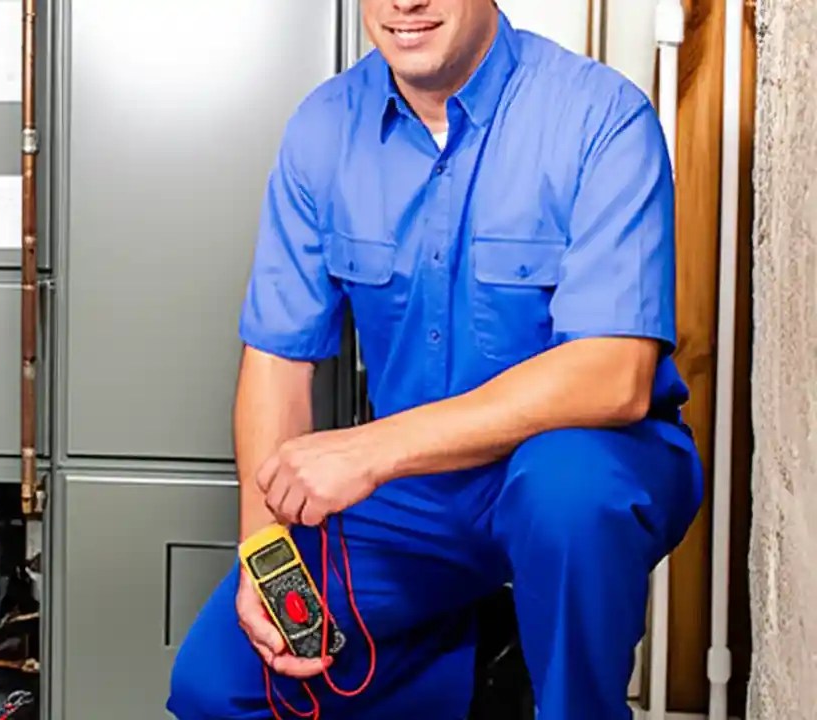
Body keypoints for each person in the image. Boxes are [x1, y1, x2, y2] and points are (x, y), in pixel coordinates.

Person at [166, 1, 704, 718]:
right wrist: (265, 551)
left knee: (564, 491)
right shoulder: (324, 129)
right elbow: (278, 360)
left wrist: (371, 450)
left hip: (589, 465)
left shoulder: (600, 117)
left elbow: (614, 375)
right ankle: (484, 672)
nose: (405, 2)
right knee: (218, 686)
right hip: (420, 488)